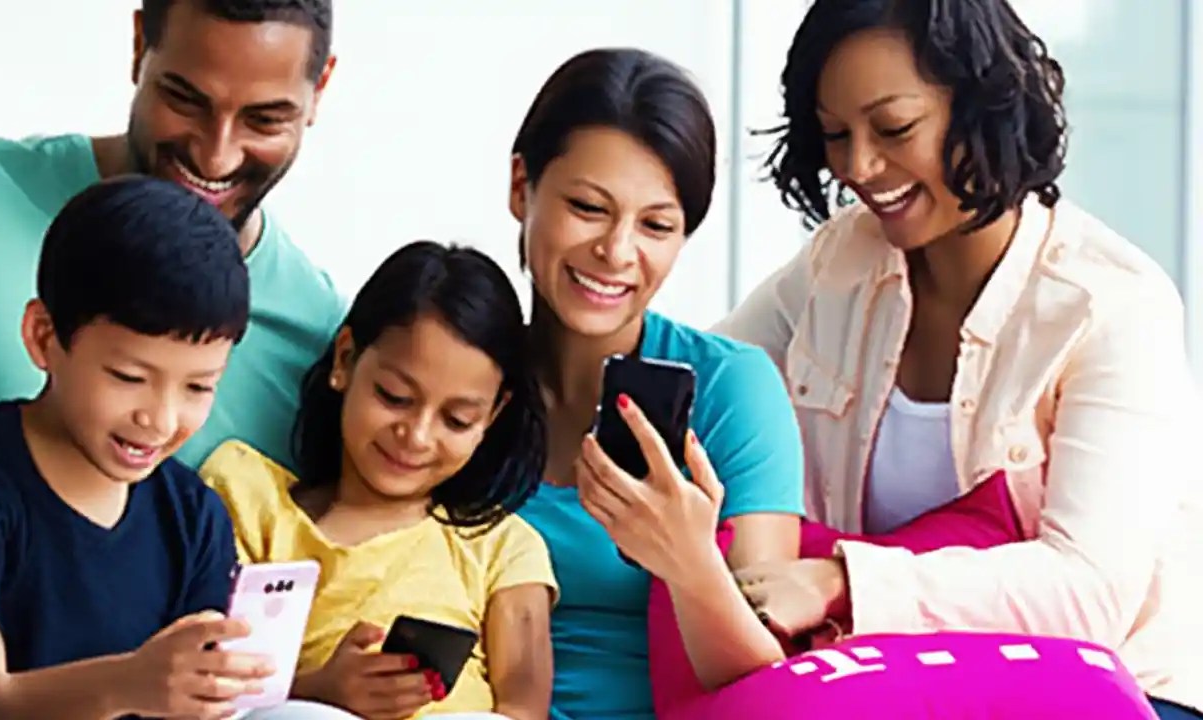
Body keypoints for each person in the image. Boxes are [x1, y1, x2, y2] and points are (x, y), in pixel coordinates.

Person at [713, 0, 1202, 717]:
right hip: (893, 683)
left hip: (1119, 692)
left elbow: (1088, 592)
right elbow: (713, 377)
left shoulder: (1111, 304)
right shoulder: (840, 262)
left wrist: (840, 582)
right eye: (834, 135)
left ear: (981, 102)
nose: (859, 166)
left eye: (894, 128)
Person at [505, 48, 806, 719]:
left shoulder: (731, 390)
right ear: (521, 187)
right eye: (588, 207)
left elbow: (772, 681)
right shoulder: (460, 374)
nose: (616, 252)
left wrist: (687, 560)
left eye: (656, 226)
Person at [0, 0, 345, 470]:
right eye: (185, 100)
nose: (216, 158)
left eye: (264, 120)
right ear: (139, 43)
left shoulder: (327, 349)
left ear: (320, 87)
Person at [0, 177, 274, 719]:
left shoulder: (193, 515)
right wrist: (126, 684)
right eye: (128, 376)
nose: (159, 419)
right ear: (44, 337)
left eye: (198, 387)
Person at [201, 240, 557, 720]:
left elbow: (524, 707)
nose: (415, 436)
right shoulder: (249, 498)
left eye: (456, 421)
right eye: (394, 397)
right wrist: (319, 691)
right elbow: (211, 686)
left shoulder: (501, 547)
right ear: (345, 359)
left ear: (493, 415)